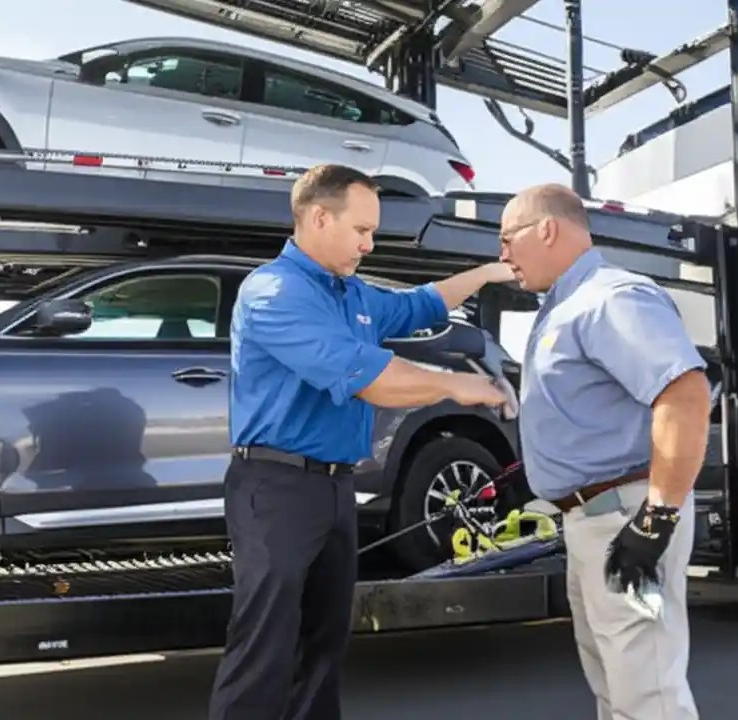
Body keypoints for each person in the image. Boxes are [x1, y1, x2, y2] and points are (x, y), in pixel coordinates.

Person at [208, 164, 515, 720]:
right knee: (265, 647)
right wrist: (460, 386)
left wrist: (488, 274)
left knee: (323, 645)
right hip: (275, 489)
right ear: (319, 217)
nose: (369, 245)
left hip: (334, 489)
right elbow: (369, 377)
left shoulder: (352, 294)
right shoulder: (275, 292)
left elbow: (422, 304)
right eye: (362, 231)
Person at [498, 183, 710, 720]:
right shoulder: (567, 305)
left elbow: (684, 394)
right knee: (617, 687)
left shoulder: (609, 297)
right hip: (594, 518)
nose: (502, 256)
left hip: (626, 515)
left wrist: (655, 519)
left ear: (547, 229)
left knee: (646, 694)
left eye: (507, 239)